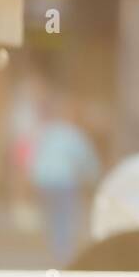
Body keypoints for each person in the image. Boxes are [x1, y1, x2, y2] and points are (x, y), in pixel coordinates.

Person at [29, 93, 101, 267]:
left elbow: (36, 154)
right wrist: (94, 180)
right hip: (63, 181)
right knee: (64, 218)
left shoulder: (49, 131)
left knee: (51, 216)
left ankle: (53, 250)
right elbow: (87, 161)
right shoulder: (74, 134)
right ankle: (62, 255)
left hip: (44, 179)